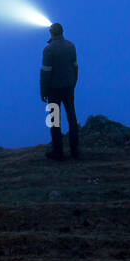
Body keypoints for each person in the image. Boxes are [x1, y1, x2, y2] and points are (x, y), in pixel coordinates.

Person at [40, 22, 79, 160]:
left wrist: (43, 91)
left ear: (51, 33)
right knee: (72, 118)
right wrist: (73, 84)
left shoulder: (48, 49)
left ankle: (58, 152)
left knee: (54, 120)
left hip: (53, 90)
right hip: (68, 88)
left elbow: (45, 73)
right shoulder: (71, 46)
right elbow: (75, 67)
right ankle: (75, 151)